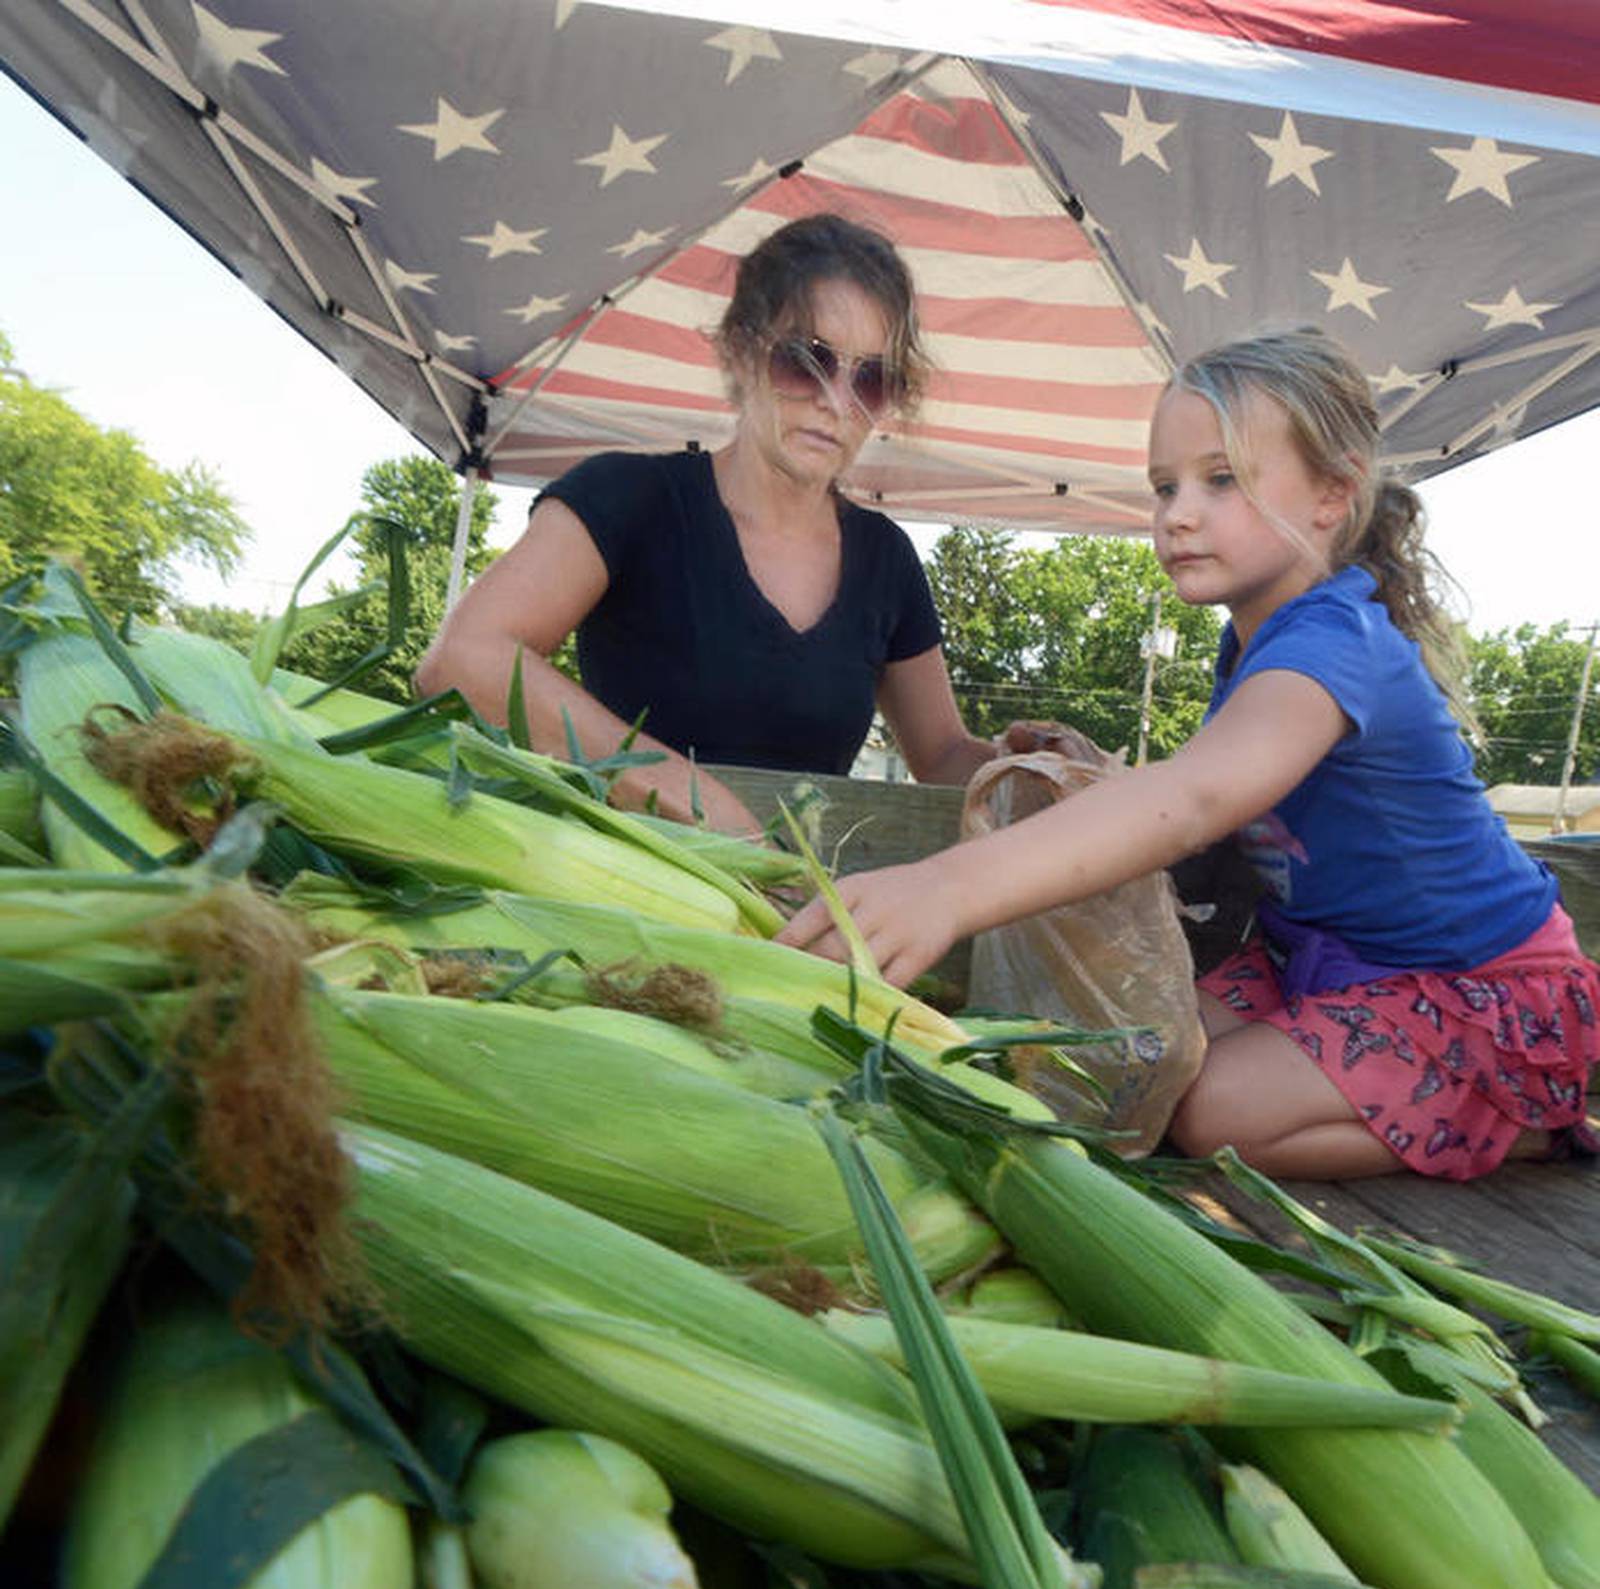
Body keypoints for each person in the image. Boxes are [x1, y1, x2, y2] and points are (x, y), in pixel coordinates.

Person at [779, 326, 1600, 1182]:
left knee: (1214, 1111)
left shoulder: (1336, 642)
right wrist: (1095, 775)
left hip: (1477, 990)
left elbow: (1196, 798)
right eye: (1164, 485)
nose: (1177, 513)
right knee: (1138, 1048)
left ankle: (1523, 1120)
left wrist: (946, 887)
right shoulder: (1256, 646)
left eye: (1223, 479)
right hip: (1328, 971)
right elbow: (1209, 784)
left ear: (1332, 494)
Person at [415, 213, 995, 834]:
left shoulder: (886, 559)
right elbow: (463, 660)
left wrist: (1024, 766)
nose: (836, 402)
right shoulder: (629, 498)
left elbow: (941, 756)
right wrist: (707, 808)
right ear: (741, 352)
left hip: (794, 889)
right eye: (806, 362)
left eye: (872, 380)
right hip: (623, 878)